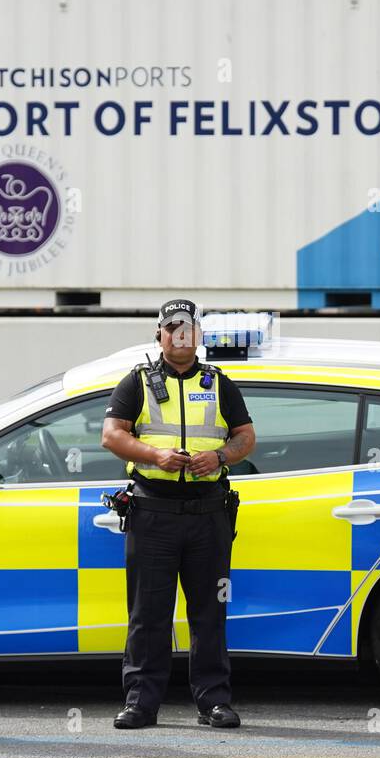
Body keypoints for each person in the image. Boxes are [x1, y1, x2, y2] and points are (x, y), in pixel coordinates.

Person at [100, 299, 256, 729]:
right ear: (159, 334)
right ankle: (141, 704)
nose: (179, 334)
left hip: (208, 514)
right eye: (171, 327)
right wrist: (155, 455)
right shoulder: (137, 382)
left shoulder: (219, 382)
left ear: (198, 335)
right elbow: (111, 436)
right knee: (148, 614)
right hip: (153, 512)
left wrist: (222, 457)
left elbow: (246, 436)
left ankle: (214, 703)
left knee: (209, 613)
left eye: (186, 327)